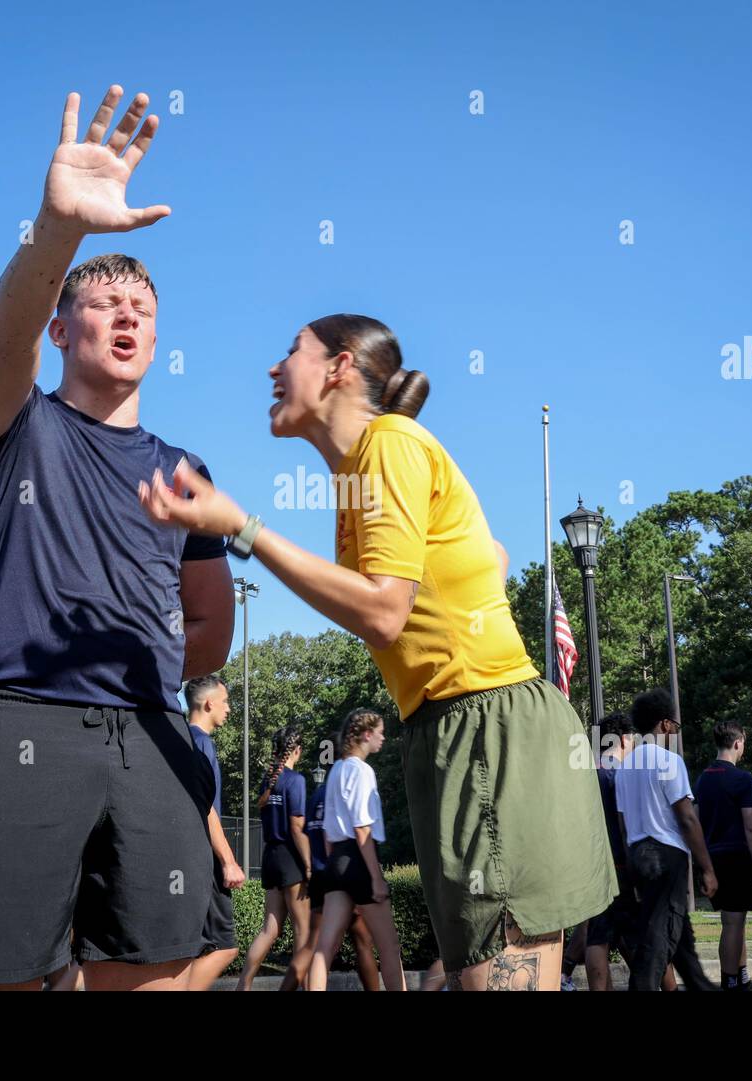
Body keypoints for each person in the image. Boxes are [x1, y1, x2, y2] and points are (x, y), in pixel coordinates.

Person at [140, 314, 616, 990]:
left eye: (292, 352)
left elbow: (385, 611)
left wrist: (242, 527)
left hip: (484, 727)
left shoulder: (388, 442)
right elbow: (490, 557)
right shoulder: (363, 474)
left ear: (338, 367)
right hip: (463, 727)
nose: (274, 368)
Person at [0, 82, 234, 991]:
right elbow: (0, 339)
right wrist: (60, 228)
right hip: (19, 719)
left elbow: (211, 625)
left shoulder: (186, 470)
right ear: (62, 329)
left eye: (142, 306)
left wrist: (144, 663)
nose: (128, 313)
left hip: (152, 734)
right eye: (104, 302)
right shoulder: (14, 418)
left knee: (159, 974)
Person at [615, 688, 716, 992]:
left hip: (637, 852)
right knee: (659, 937)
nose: (675, 732)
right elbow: (687, 819)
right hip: (666, 853)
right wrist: (707, 868)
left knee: (679, 936)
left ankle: (700, 986)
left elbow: (623, 824)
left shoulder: (625, 767)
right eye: (675, 725)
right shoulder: (669, 761)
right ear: (664, 723)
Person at [307, 709, 405, 991]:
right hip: (359, 859)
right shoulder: (363, 771)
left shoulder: (336, 770)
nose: (383, 738)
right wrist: (375, 878)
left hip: (336, 860)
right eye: (380, 733)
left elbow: (327, 833)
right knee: (389, 947)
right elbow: (362, 827)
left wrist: (336, 866)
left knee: (325, 947)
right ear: (366, 734)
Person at [183, 675, 247, 991]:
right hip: (203, 858)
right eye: (226, 702)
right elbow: (207, 808)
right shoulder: (202, 744)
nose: (229, 709)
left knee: (192, 948)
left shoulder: (180, 740)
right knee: (224, 946)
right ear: (209, 704)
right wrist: (228, 861)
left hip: (184, 856)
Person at [238, 726, 313, 990]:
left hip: (270, 856)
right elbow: (297, 827)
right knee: (303, 930)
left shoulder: (267, 781)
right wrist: (309, 864)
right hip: (290, 858)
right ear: (297, 750)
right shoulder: (296, 780)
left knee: (270, 929)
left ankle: (243, 986)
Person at [693, 720, 752, 991]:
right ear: (738, 743)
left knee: (736, 920)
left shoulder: (703, 778)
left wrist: (700, 864)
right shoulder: (742, 779)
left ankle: (741, 976)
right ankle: (730, 981)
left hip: (712, 857)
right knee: (733, 922)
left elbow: (695, 820)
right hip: (736, 857)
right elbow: (751, 825)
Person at [305, 766, 380, 991]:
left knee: (317, 947)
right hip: (344, 874)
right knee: (364, 943)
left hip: (321, 877)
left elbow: (309, 832)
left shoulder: (317, 796)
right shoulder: (345, 790)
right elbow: (358, 831)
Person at [585, 711, 640, 991]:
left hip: (592, 864)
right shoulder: (619, 774)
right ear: (624, 739)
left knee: (602, 934)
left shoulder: (586, 774)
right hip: (619, 864)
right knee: (613, 935)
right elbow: (625, 823)